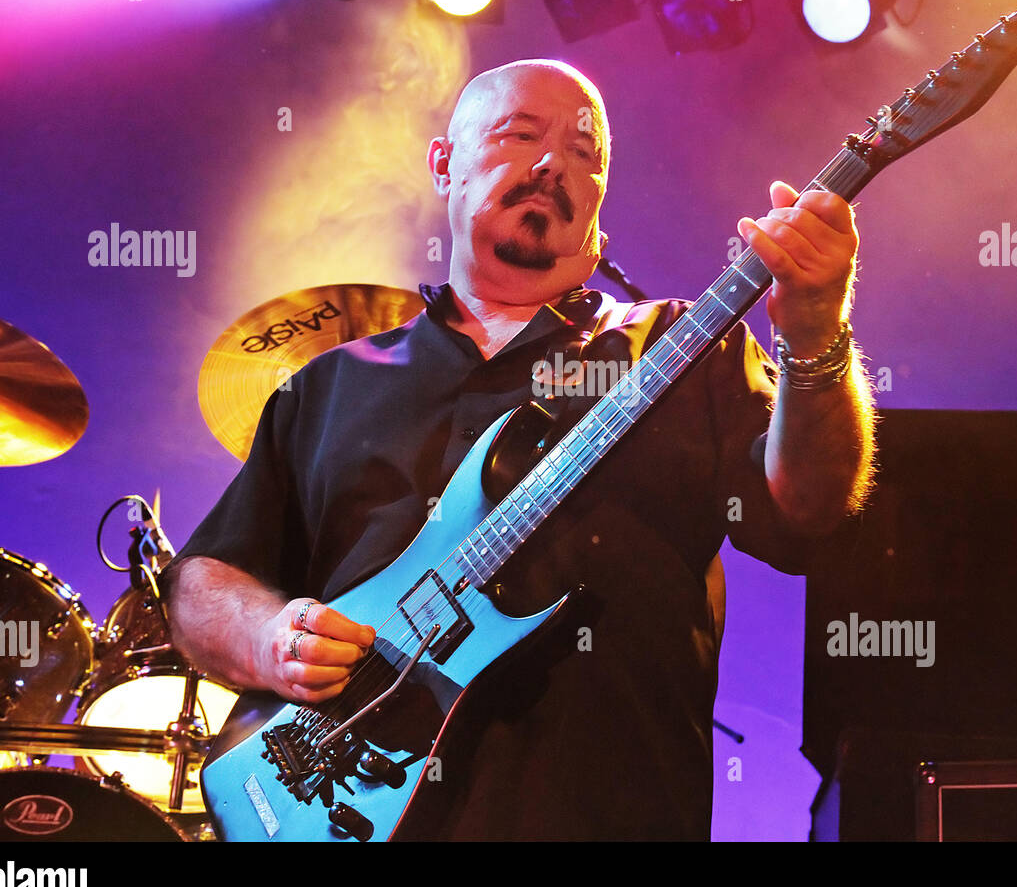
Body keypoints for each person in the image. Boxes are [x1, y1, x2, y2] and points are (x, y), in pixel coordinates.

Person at [165, 58, 875, 839]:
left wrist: (815, 334)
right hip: (340, 801)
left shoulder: (678, 347)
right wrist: (271, 640)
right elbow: (204, 582)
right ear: (444, 163)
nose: (551, 164)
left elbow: (809, 507)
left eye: (584, 152)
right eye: (519, 134)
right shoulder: (332, 383)